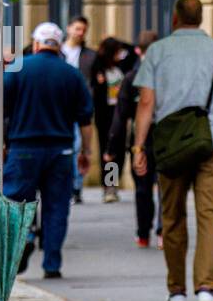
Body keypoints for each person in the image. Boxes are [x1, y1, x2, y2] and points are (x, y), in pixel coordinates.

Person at [132, 0, 213, 301]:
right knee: (211, 216)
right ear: (201, 19)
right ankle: (207, 288)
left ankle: (176, 291)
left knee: (171, 216)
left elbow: (146, 102)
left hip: (170, 145)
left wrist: (139, 146)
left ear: (174, 18)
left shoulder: (157, 51)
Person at [3, 21, 93, 279]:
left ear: (35, 43)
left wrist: (3, 143)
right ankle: (52, 263)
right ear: (58, 45)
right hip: (60, 150)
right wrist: (86, 152)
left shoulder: (18, 69)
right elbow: (86, 119)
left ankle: (24, 239)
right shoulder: (71, 74)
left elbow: (0, 108)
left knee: (17, 203)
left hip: (23, 148)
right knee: (57, 207)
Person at [106, 30, 161, 247]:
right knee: (166, 187)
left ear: (138, 50)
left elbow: (120, 117)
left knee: (142, 187)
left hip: (141, 140)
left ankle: (143, 233)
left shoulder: (131, 78)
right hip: (166, 137)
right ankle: (163, 231)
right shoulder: (168, 76)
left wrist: (111, 148)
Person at [88, 37, 138, 205]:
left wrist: (119, 42)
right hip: (105, 115)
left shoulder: (122, 66)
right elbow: (95, 87)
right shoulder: (99, 67)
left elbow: (133, 51)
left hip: (121, 113)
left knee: (120, 150)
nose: (120, 54)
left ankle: (113, 183)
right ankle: (109, 186)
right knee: (108, 150)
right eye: (116, 51)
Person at [62, 15, 95, 205]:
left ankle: (77, 187)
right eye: (77, 28)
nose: (80, 33)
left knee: (77, 147)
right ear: (68, 28)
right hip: (60, 107)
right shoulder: (58, 52)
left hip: (79, 106)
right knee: (67, 148)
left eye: (84, 30)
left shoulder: (90, 56)